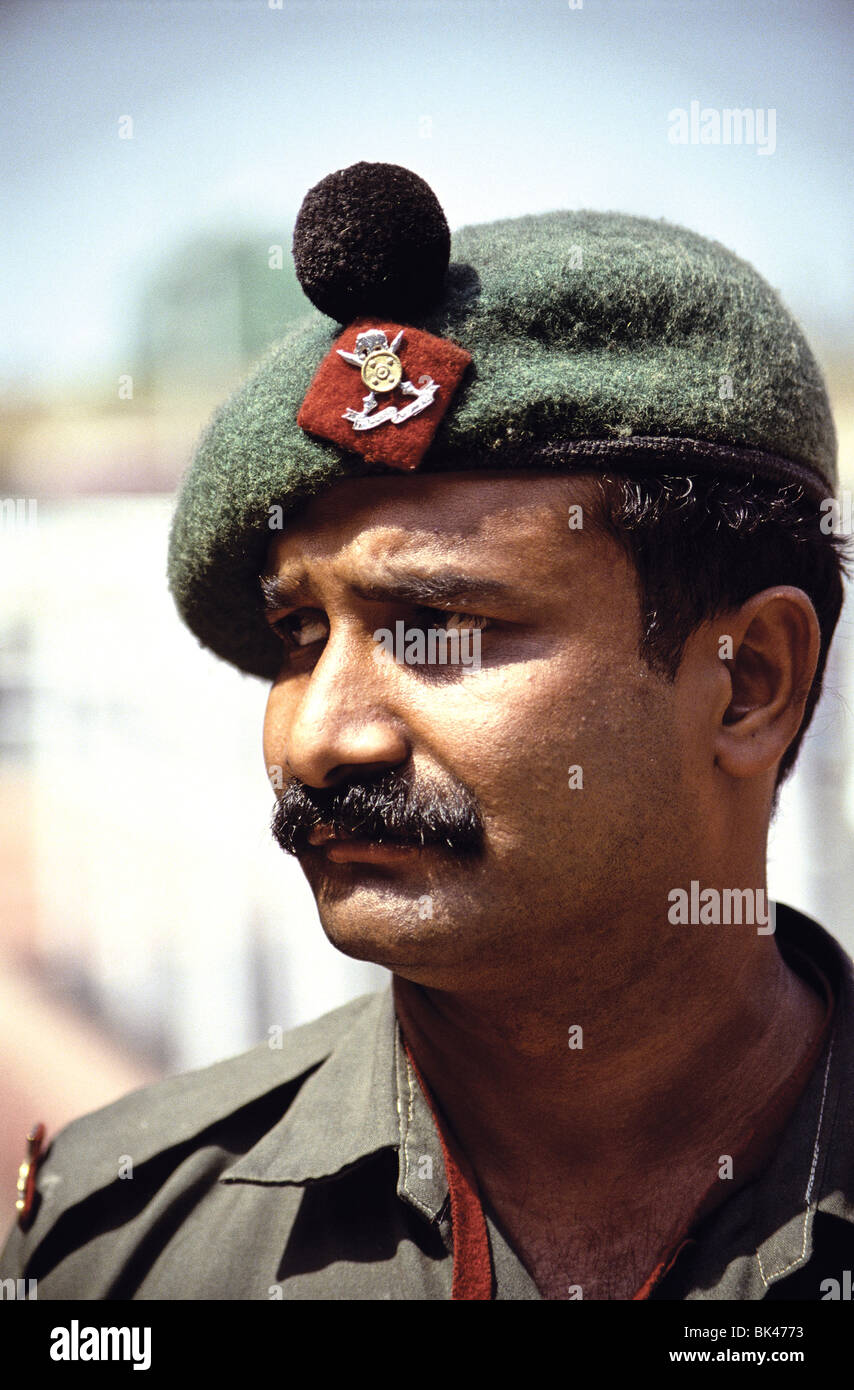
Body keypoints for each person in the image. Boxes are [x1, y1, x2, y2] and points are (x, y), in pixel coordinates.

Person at [2, 162, 851, 1301]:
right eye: (301, 634)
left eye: (438, 628)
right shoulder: (123, 1252)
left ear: (746, 680)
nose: (317, 737)